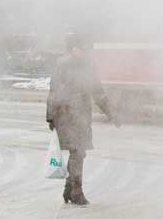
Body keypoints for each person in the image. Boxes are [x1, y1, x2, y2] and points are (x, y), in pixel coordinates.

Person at [46, 33, 120, 205]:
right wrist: (50, 116)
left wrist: (112, 113)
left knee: (79, 152)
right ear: (73, 48)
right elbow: (54, 91)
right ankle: (76, 192)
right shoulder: (63, 65)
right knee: (77, 152)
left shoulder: (89, 66)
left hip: (81, 117)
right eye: (82, 48)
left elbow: (98, 92)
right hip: (66, 115)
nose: (86, 51)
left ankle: (69, 188)